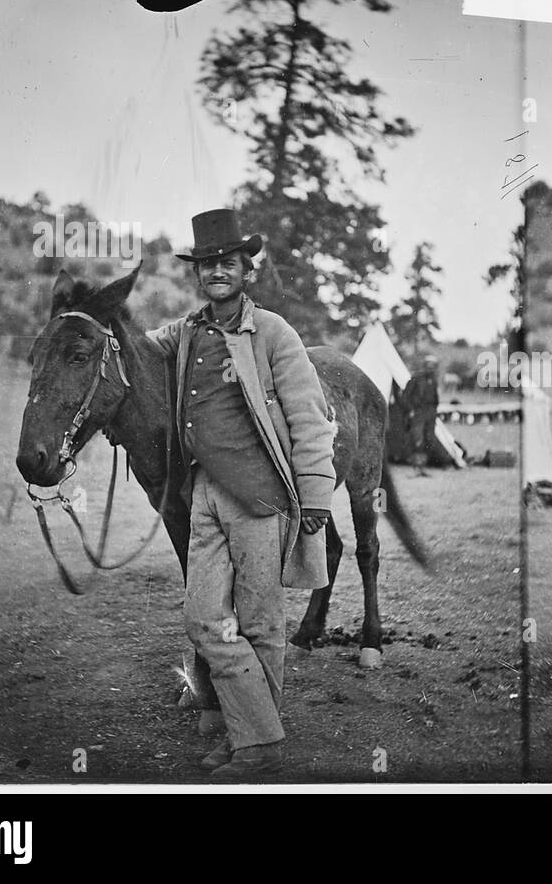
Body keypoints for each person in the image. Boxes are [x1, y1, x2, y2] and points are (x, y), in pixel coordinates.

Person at [145, 209, 336, 777]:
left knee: (259, 624)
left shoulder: (274, 332)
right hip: (203, 494)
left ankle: (252, 744)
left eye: (228, 262)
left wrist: (317, 494)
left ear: (245, 270)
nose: (217, 272)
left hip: (261, 496)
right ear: (198, 275)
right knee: (204, 618)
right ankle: (261, 735)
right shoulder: (184, 335)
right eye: (207, 264)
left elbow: (308, 417)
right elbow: (129, 351)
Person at [402, 354, 441, 466]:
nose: (431, 369)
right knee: (417, 437)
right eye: (429, 366)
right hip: (418, 411)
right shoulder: (416, 378)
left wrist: (434, 411)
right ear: (424, 366)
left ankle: (423, 462)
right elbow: (405, 396)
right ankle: (416, 462)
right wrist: (411, 410)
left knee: (430, 438)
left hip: (430, 412)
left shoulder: (433, 380)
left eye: (433, 367)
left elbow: (435, 397)